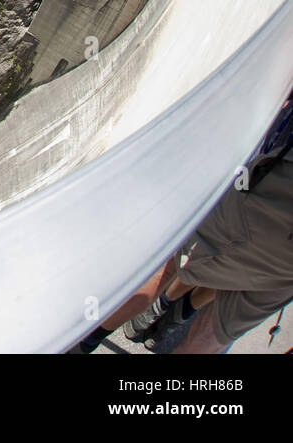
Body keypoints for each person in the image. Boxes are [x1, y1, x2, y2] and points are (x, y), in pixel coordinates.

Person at [71, 96, 293, 354]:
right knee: (217, 331)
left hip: (273, 198)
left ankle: (82, 343)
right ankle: (167, 311)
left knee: (173, 256)